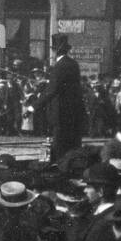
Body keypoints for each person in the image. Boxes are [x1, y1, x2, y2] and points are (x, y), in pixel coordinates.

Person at [28, 34, 88, 163]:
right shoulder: (73, 64)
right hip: (74, 113)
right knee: (73, 147)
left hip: (61, 114)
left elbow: (52, 90)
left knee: (60, 148)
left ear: (55, 50)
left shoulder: (59, 66)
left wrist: (33, 106)